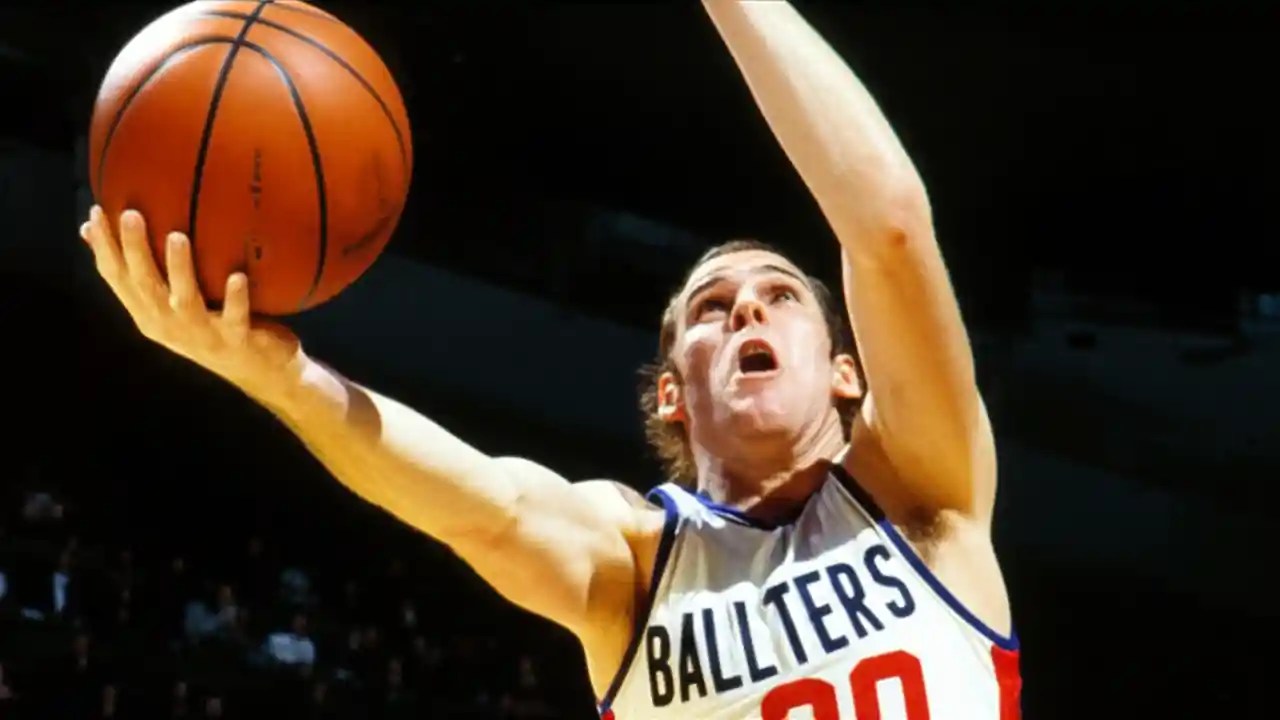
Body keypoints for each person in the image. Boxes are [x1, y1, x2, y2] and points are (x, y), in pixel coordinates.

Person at [79, 1, 1019, 717]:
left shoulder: (922, 495)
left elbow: (888, 225)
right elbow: (482, 508)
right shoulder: (634, 566)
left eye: (778, 297)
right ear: (671, 397)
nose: (744, 312)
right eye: (711, 310)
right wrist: (270, 373)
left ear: (847, 372)